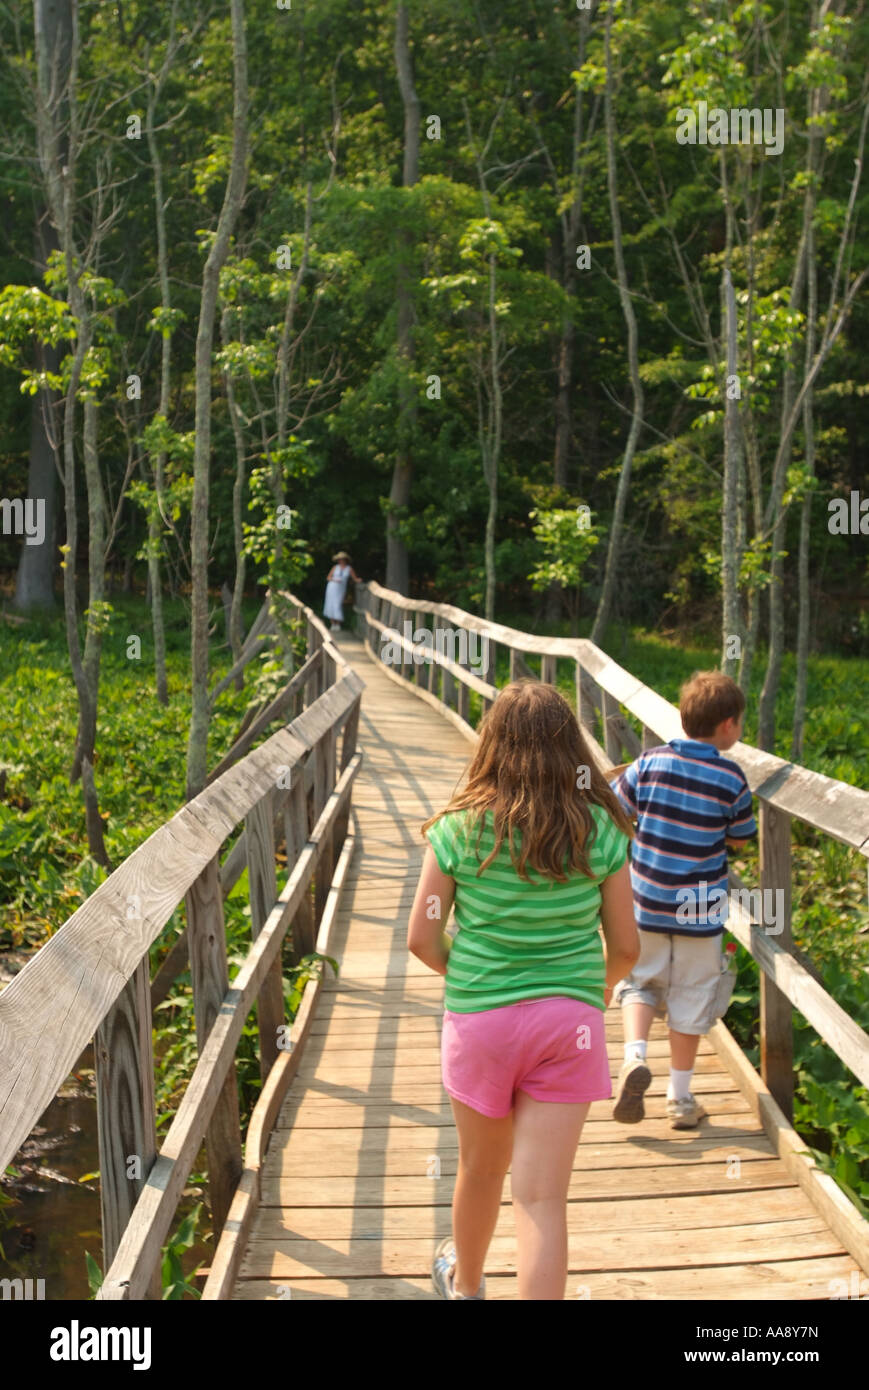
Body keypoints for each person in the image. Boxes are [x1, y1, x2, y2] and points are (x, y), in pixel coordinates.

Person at [406, 680, 639, 1301]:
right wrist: (593, 992)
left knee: (481, 1169)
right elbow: (626, 948)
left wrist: (475, 974)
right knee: (541, 1198)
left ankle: (467, 1285)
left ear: (491, 746)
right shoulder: (603, 830)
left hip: (481, 1021)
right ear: (572, 750)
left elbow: (423, 939)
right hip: (571, 1025)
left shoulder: (456, 830)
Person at [609, 670, 757, 1132]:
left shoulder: (650, 763)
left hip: (647, 900)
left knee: (639, 983)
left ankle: (634, 1058)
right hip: (699, 908)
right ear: (729, 725)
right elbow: (741, 840)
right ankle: (680, 1097)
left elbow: (619, 812)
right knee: (692, 993)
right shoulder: (730, 777)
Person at [322, 551, 360, 631]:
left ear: (345, 560)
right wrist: (335, 580)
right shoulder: (335, 567)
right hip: (332, 588)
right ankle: (333, 624)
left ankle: (338, 624)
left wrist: (358, 580)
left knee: (338, 604)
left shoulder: (349, 568)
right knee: (330, 604)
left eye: (342, 559)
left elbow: (355, 578)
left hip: (340, 589)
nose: (340, 561)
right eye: (339, 559)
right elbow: (328, 577)